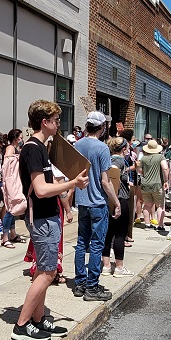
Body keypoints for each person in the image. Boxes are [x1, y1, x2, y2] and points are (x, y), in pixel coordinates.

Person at [12, 100, 88, 340]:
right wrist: (72, 184)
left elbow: (49, 185)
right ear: (44, 122)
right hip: (42, 218)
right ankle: (22, 325)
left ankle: (38, 318)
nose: (59, 124)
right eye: (55, 120)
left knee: (44, 271)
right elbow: (41, 189)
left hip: (47, 216)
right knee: (47, 272)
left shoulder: (41, 147)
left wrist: (66, 190)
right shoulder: (33, 149)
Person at [73, 112, 120, 302]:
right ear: (101, 127)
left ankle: (80, 283)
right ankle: (92, 286)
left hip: (82, 201)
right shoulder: (102, 148)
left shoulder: (77, 145)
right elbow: (105, 181)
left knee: (81, 243)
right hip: (98, 202)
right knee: (96, 244)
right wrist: (116, 202)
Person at [101, 137, 134, 277]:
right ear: (124, 149)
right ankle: (119, 267)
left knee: (108, 234)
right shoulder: (118, 161)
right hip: (119, 199)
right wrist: (116, 201)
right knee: (120, 234)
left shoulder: (108, 159)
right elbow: (113, 175)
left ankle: (106, 266)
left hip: (109, 200)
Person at [0, 129, 26, 247]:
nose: (22, 139)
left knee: (13, 209)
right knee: (10, 210)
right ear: (16, 138)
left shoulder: (15, 149)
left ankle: (13, 233)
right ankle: (5, 237)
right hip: (11, 183)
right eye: (20, 137)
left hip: (15, 182)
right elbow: (8, 166)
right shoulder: (10, 148)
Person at [138, 138, 165, 229]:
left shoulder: (143, 158)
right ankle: (160, 225)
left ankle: (147, 224)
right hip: (157, 184)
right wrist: (166, 180)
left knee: (147, 205)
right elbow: (165, 168)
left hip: (145, 184)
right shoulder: (160, 157)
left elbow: (140, 170)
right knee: (160, 206)